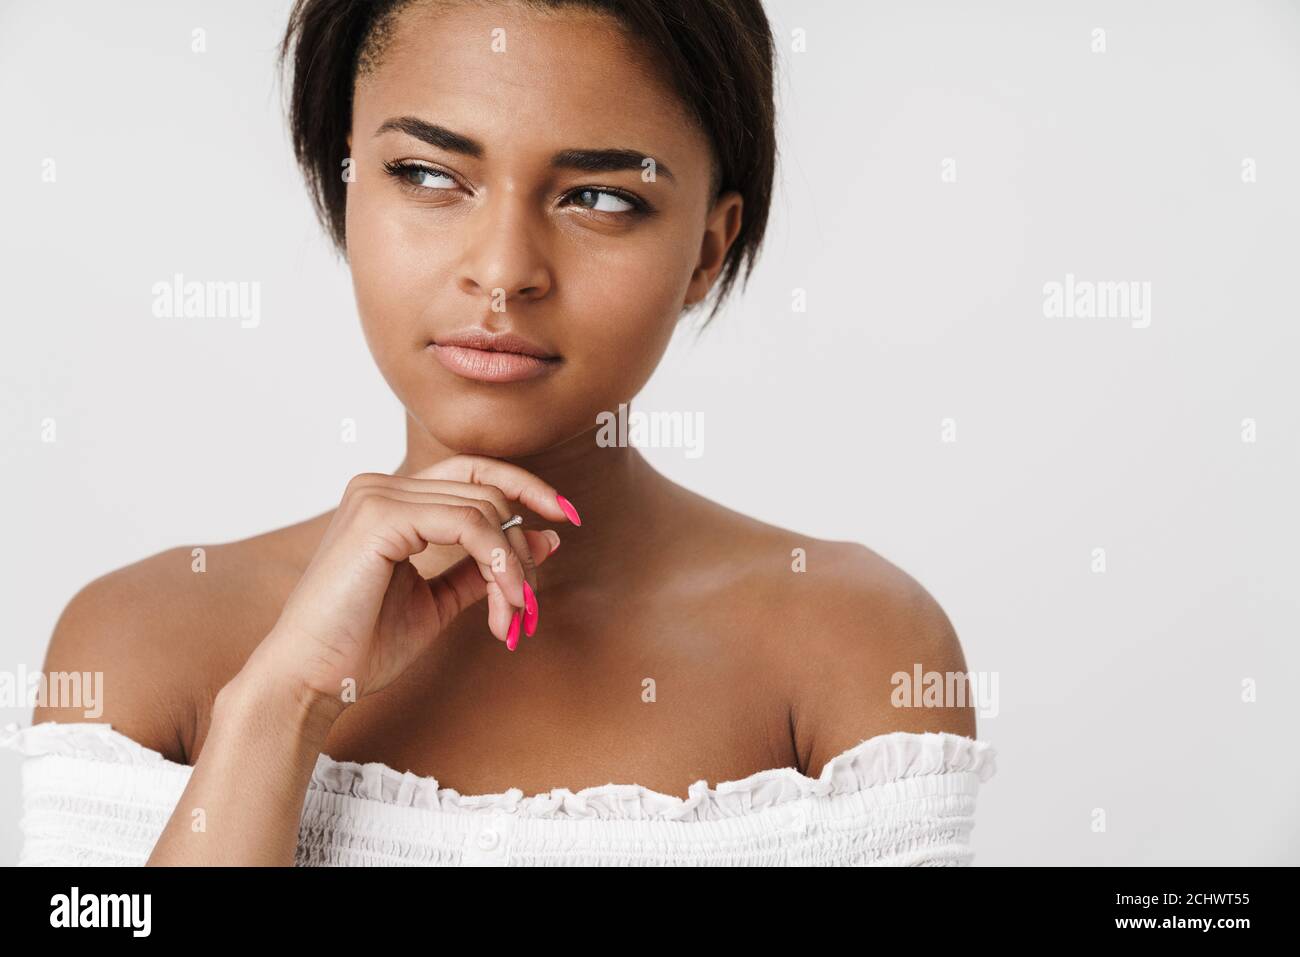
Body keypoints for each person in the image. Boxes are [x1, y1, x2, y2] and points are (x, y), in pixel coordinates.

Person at [4, 0, 995, 866]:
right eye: (430, 175)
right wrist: (281, 703)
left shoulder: (851, 646)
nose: (504, 270)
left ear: (708, 246)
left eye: (599, 197)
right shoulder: (144, 642)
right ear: (345, 183)